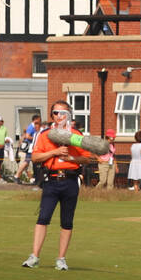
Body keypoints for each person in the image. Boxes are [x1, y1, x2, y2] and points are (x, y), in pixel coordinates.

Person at [22, 101, 95, 270]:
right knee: (43, 218)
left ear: (69, 115)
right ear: (51, 115)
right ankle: (34, 256)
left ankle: (61, 259)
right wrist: (54, 152)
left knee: (67, 221)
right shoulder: (45, 134)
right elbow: (35, 157)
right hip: (52, 180)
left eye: (63, 113)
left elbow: (87, 158)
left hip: (70, 180)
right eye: (55, 113)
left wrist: (71, 159)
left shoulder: (76, 135)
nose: (59, 116)